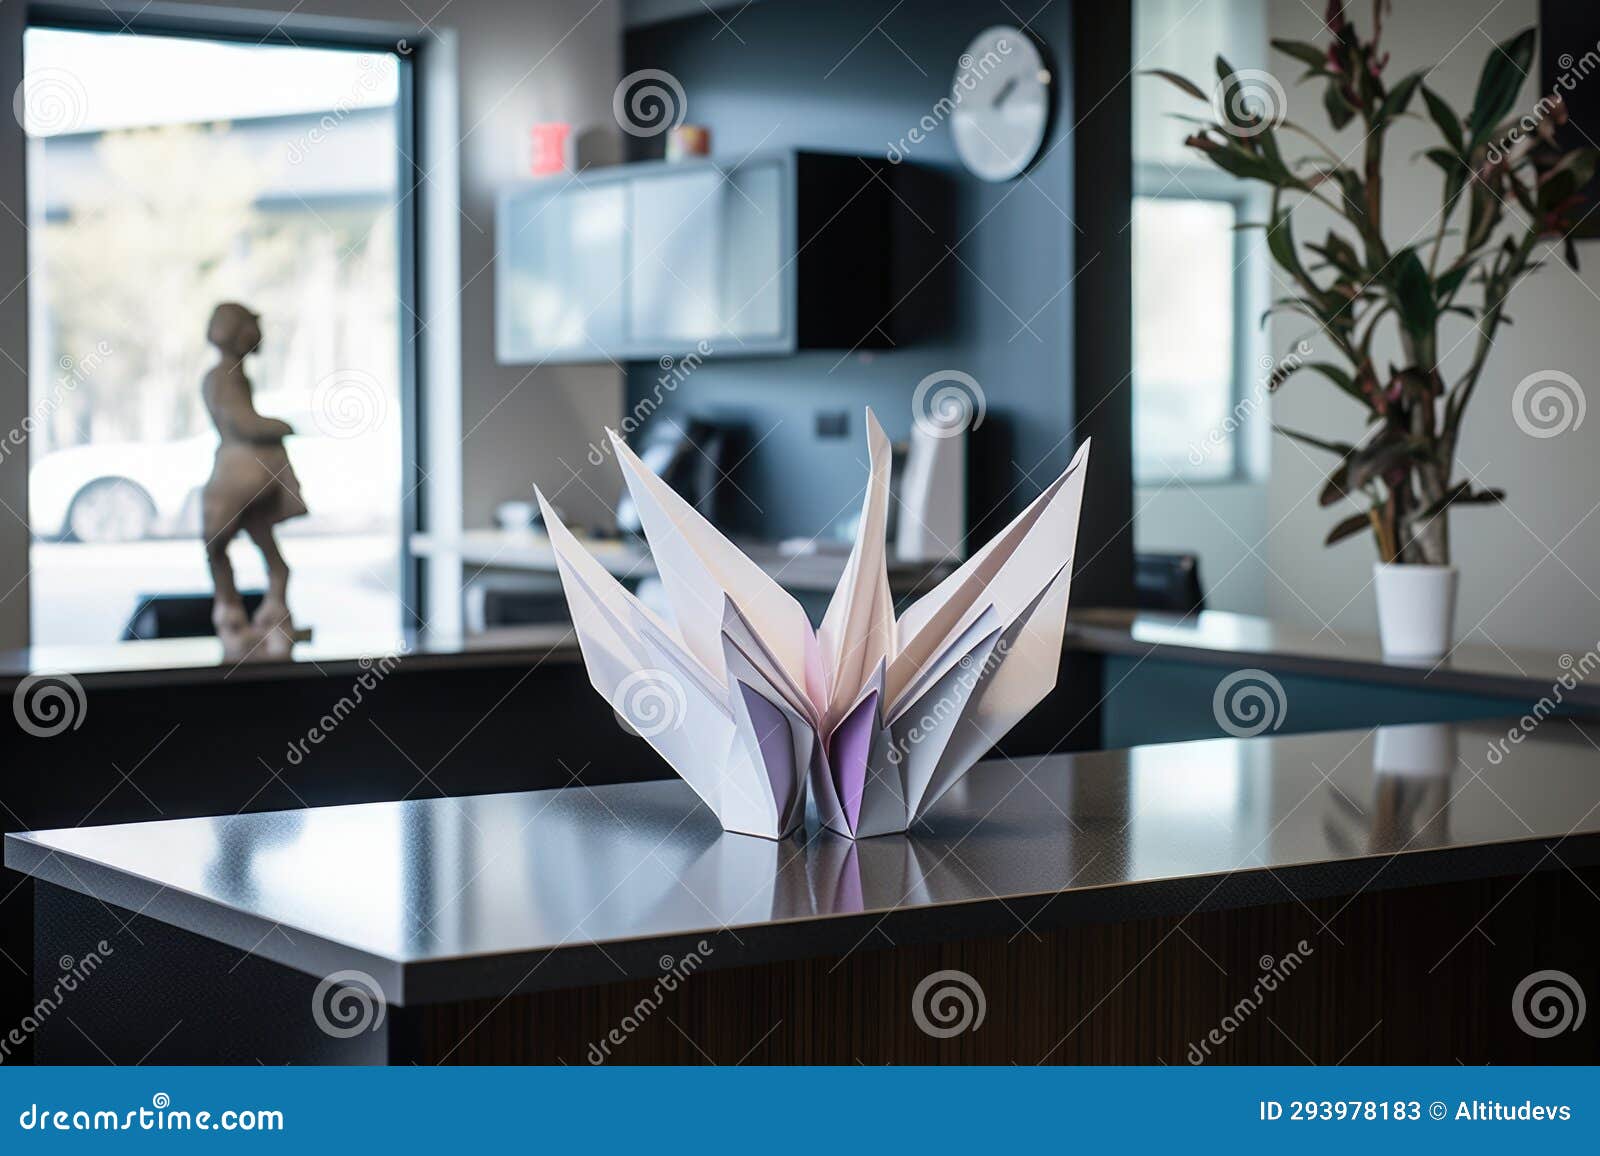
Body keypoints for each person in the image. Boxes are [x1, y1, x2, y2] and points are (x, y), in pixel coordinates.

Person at [200, 303, 306, 638]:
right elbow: (241, 422)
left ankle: (261, 604)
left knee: (238, 539)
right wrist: (280, 425)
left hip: (246, 469)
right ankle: (231, 605)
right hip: (238, 471)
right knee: (217, 541)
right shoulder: (221, 377)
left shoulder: (234, 376)